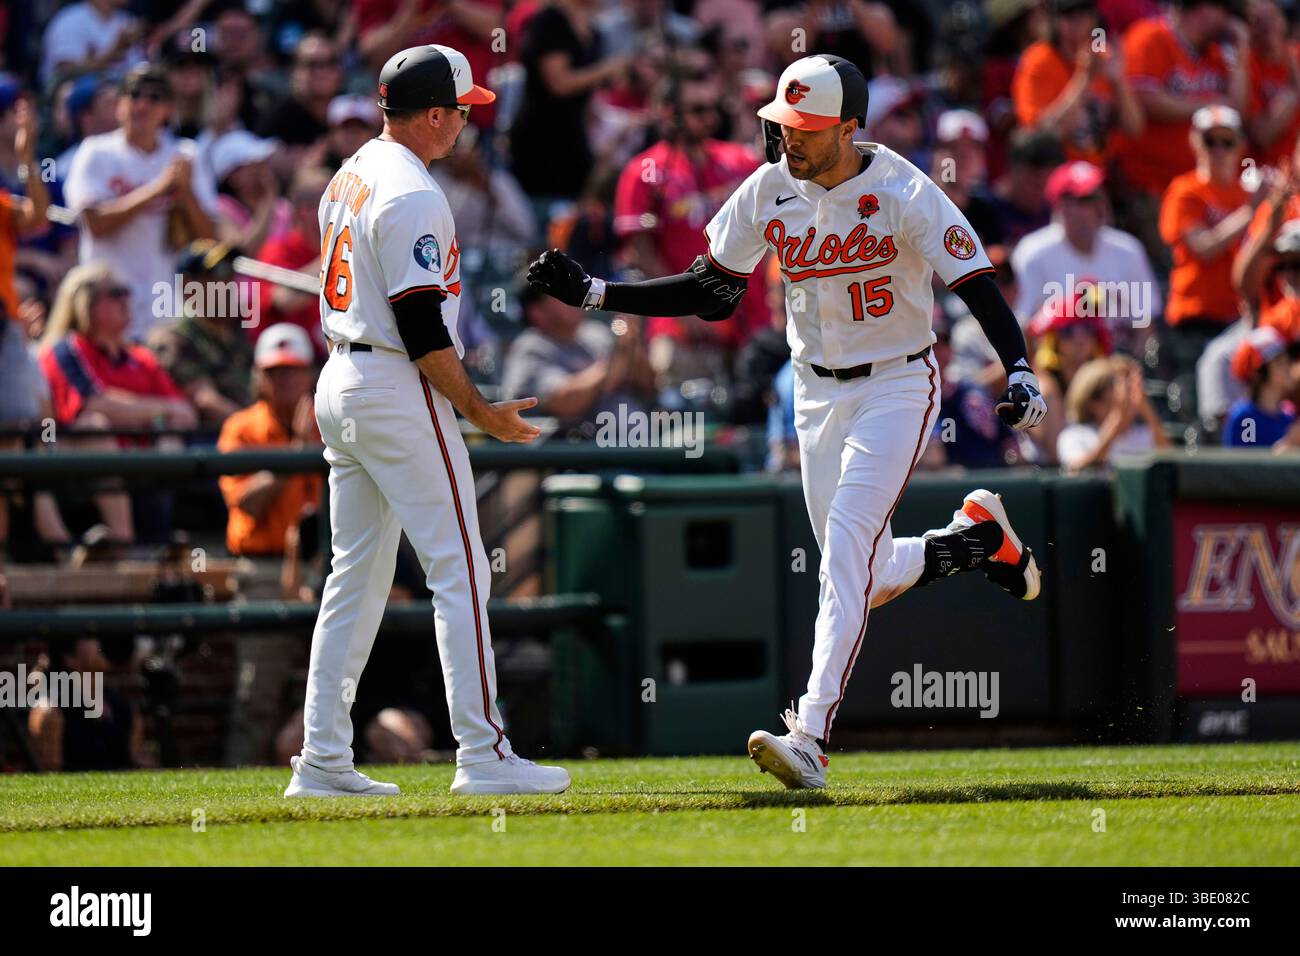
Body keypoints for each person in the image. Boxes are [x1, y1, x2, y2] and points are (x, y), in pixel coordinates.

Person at [528, 54, 1048, 790]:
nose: (789, 138)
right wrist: (596, 294)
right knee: (858, 575)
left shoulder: (903, 188)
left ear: (847, 127)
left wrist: (1020, 366)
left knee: (843, 556)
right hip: (810, 389)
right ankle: (975, 542)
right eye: (782, 123)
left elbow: (973, 280)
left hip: (897, 383)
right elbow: (713, 293)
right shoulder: (770, 187)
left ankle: (809, 733)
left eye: (805, 128)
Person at [287, 45, 570, 799]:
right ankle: (484, 754)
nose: (467, 122)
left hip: (343, 374)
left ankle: (321, 761)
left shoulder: (350, 171)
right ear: (436, 114)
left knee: (355, 579)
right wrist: (479, 410)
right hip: (392, 379)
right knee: (461, 567)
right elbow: (420, 325)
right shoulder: (413, 190)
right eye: (462, 109)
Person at [62, 66, 218, 341]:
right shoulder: (96, 152)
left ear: (168, 109)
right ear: (119, 104)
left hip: (164, 308)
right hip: (105, 307)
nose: (142, 105)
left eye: (154, 97)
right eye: (133, 95)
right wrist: (157, 189)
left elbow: (209, 240)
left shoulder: (185, 154)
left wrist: (186, 195)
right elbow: (96, 223)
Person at [1159, 104, 1257, 414]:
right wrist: (1253, 212)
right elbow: (1204, 246)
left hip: (1241, 318)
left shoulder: (1249, 194)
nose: (1218, 149)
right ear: (1194, 142)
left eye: (1226, 141)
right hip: (1196, 322)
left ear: (1240, 146)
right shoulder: (1184, 191)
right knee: (1199, 412)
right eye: (1210, 140)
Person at [1012, 160, 1160, 352]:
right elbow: (1024, 324)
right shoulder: (1033, 253)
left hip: (1116, 359)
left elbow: (1145, 323)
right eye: (1087, 199)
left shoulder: (1128, 250)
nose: (1099, 206)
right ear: (1061, 207)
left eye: (1100, 196)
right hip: (1057, 360)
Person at [217, 323, 321, 556]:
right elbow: (247, 504)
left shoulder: (329, 423)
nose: (284, 380)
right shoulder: (240, 427)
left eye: (293, 370)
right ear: (259, 378)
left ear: (309, 375)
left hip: (324, 561)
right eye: (274, 372)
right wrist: (298, 453)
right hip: (260, 562)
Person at [500, 285, 655, 435]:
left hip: (636, 442)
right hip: (569, 451)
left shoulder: (596, 333)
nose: (576, 298)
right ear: (537, 312)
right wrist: (612, 365)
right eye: (562, 295)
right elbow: (564, 401)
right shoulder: (530, 348)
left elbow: (649, 386)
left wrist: (632, 345)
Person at [1012, 0, 1143, 167]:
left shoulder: (1102, 58)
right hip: (1056, 174)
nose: (1079, 25)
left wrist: (1118, 81)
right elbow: (1042, 135)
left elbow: (1134, 129)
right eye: (1070, 17)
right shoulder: (1038, 60)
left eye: (1085, 15)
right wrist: (1084, 79)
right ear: (1056, 21)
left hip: (1099, 175)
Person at [146, 240, 255, 428]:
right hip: (212, 443)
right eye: (219, 272)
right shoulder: (174, 338)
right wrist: (253, 430)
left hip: (252, 435)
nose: (228, 280)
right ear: (189, 285)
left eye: (230, 271)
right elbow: (205, 401)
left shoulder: (236, 330)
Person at [1058, 354, 1171, 469]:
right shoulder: (1074, 436)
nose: (1128, 396)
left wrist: (1147, 410)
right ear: (1094, 401)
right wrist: (1117, 419)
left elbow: (1170, 463)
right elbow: (1078, 470)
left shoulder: (1144, 433)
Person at [1222, 325, 1298, 447]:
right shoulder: (1247, 419)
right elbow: (1248, 462)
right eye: (1279, 362)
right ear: (1260, 372)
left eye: (1287, 360)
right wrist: (1289, 444)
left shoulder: (1288, 416)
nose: (1288, 366)